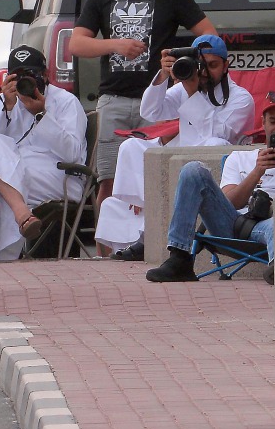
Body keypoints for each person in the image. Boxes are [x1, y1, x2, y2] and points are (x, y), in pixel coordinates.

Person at [68, 0, 217, 237]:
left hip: (162, 102)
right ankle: (107, 253)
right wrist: (115, 44)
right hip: (114, 100)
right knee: (108, 178)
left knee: (163, 174)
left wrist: (182, 61)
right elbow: (76, 44)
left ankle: (159, 240)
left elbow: (209, 35)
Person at [146, 90, 275, 284]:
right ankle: (179, 258)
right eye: (273, 121)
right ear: (263, 123)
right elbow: (229, 203)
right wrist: (257, 172)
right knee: (193, 170)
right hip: (235, 225)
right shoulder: (239, 157)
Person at [96, 34, 255, 260]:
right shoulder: (185, 86)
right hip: (179, 153)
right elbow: (150, 112)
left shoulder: (241, 98)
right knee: (131, 146)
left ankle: (148, 227)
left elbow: (219, 133)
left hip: (212, 162)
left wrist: (191, 92)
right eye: (202, 65)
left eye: (213, 65)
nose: (205, 72)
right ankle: (145, 203)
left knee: (214, 144)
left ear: (226, 65)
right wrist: (162, 75)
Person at [0, 45, 87, 262]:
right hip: (15, 178)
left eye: (32, 75)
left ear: (45, 75)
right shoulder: (4, 102)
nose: (27, 82)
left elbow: (72, 154)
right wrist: (5, 108)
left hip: (57, 176)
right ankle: (21, 214)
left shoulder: (66, 102)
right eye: (20, 77)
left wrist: (42, 115)